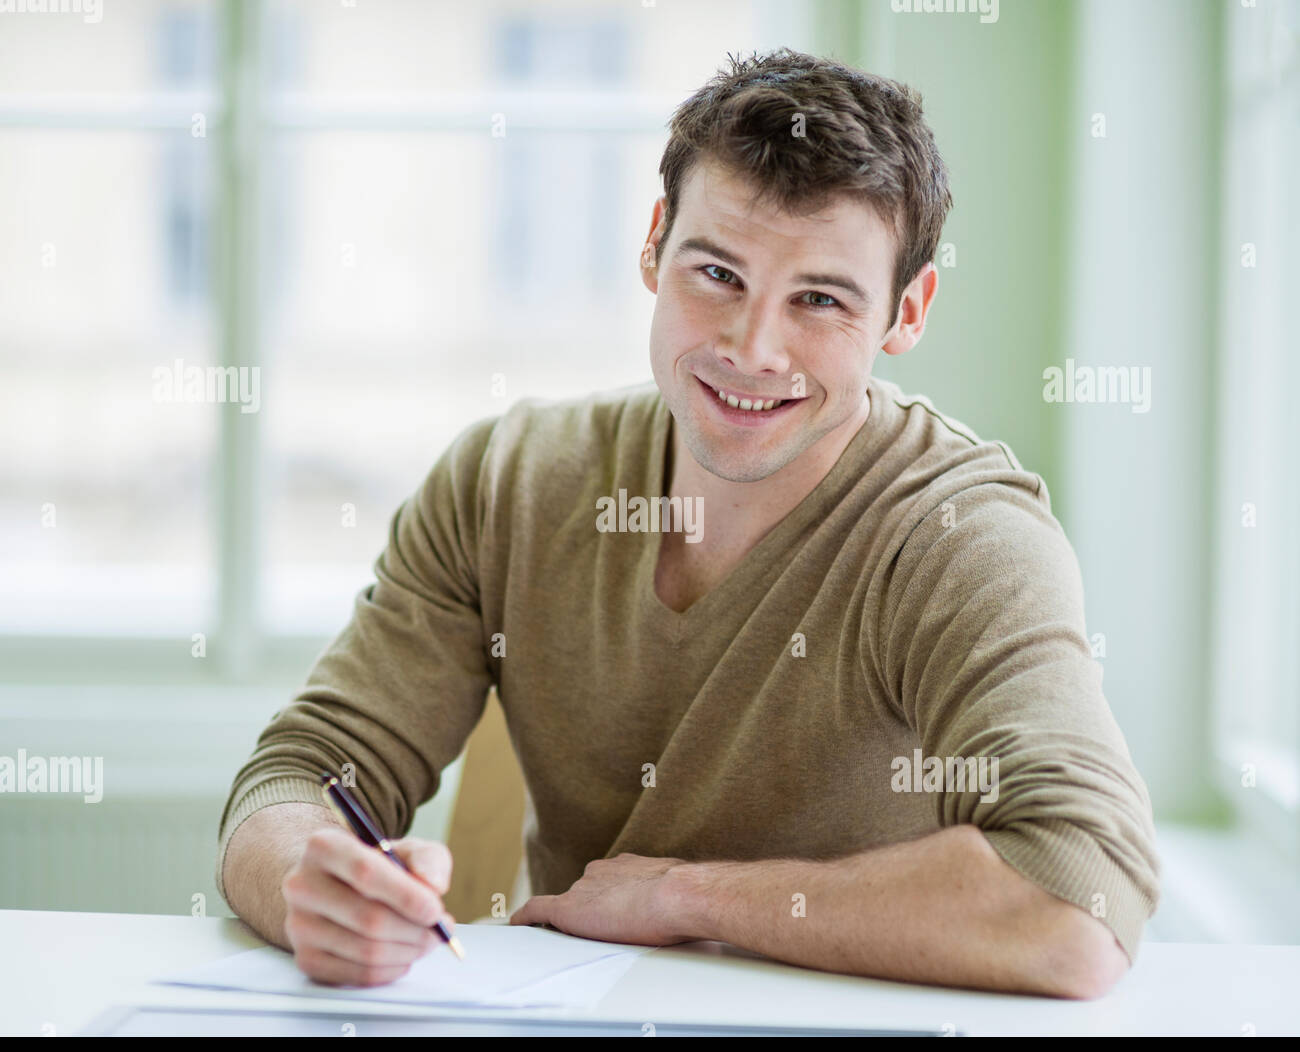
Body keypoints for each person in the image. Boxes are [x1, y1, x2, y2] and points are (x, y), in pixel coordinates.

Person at [216, 48, 1159, 999]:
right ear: (654, 244)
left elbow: (1079, 901)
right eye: (717, 273)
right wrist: (313, 883)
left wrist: (688, 901)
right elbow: (298, 777)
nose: (753, 350)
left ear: (905, 312)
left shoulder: (959, 536)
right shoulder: (507, 482)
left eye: (820, 300)